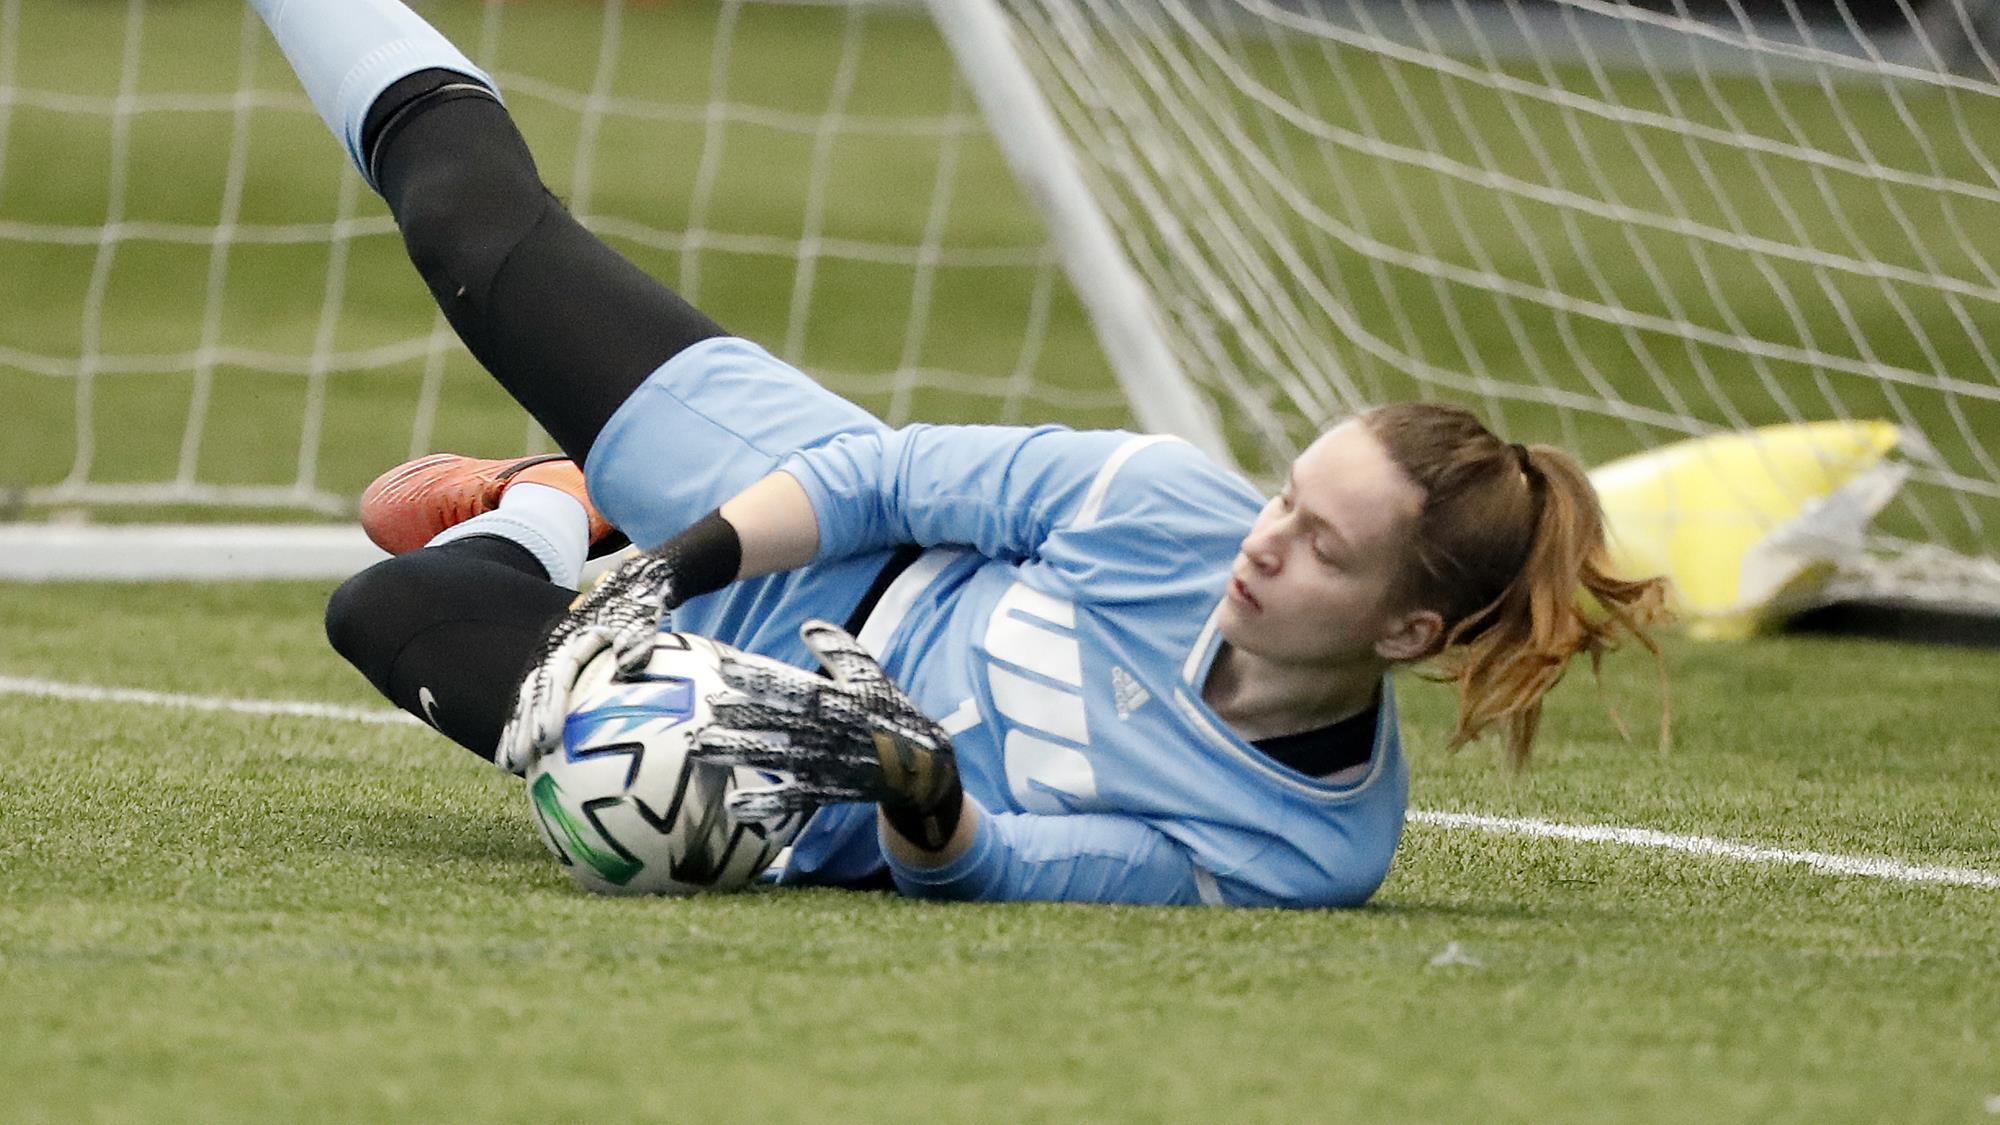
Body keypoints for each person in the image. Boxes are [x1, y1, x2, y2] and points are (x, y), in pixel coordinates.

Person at [261, 0, 1667, 908]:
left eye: (1322, 545)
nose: (1266, 534)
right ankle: (621, 522)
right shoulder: (1172, 502)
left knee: (381, 609)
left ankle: (547, 511)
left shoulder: (1309, 850)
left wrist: (917, 780)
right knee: (477, 234)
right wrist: (680, 564)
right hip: (817, 506)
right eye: (1291, 492)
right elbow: (893, 475)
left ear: (1408, 625)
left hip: (766, 764)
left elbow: (997, 871)